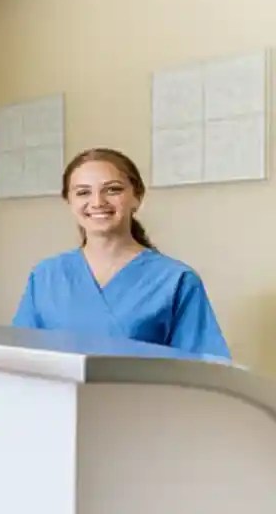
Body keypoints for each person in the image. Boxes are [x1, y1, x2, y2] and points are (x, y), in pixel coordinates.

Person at [12, 148, 230, 359]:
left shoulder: (176, 280)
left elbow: (205, 370)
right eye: (83, 192)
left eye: (113, 190)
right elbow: (19, 359)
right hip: (59, 397)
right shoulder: (45, 276)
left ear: (137, 197)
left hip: (142, 397)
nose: (97, 202)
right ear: (69, 201)